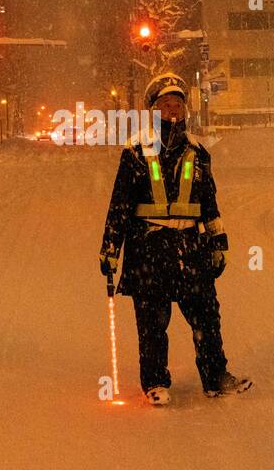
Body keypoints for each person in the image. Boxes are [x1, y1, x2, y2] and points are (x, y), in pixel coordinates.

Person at [98, 72, 252, 406]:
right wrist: (110, 249)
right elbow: (120, 203)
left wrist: (218, 239)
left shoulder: (198, 152)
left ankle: (215, 377)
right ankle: (155, 382)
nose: (172, 110)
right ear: (153, 109)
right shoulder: (137, 150)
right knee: (152, 323)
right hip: (149, 246)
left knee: (207, 316)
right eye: (165, 103)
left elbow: (209, 201)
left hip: (190, 247)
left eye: (177, 104)